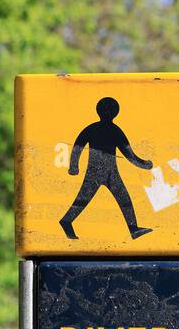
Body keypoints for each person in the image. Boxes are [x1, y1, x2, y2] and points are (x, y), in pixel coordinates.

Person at [60, 97, 154, 240]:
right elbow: (78, 146)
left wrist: (143, 164)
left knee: (124, 199)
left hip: (111, 172)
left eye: (110, 110)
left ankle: (134, 229)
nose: (107, 113)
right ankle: (66, 221)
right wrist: (73, 166)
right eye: (105, 110)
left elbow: (128, 153)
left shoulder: (114, 130)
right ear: (100, 111)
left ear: (115, 112)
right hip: (95, 171)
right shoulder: (94, 129)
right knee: (82, 200)